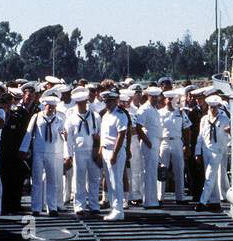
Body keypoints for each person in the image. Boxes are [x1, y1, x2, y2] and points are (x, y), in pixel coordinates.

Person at [20, 95, 65, 215]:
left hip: (52, 152)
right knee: (36, 180)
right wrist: (23, 148)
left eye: (53, 107)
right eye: (49, 107)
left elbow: (62, 136)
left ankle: (52, 207)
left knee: (52, 181)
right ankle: (36, 208)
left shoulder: (59, 120)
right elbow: (29, 133)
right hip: (38, 152)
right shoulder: (36, 117)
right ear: (44, 106)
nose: (51, 109)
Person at [0, 84, 35, 214]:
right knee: (4, 180)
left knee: (16, 180)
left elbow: (23, 136)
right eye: (5, 103)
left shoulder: (17, 117)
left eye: (9, 103)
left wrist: (24, 150)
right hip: (2, 154)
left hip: (15, 154)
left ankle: (15, 204)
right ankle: (4, 205)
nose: (7, 106)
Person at [64, 87, 101, 213]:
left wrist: (99, 151)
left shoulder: (95, 116)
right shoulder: (71, 118)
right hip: (79, 152)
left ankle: (94, 204)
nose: (81, 105)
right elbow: (68, 139)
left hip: (93, 151)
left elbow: (100, 133)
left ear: (87, 101)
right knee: (79, 179)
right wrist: (68, 155)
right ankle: (79, 205)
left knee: (94, 179)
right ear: (76, 103)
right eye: (79, 103)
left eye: (83, 102)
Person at [98, 90, 130, 221]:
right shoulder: (106, 115)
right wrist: (101, 150)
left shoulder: (120, 115)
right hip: (106, 150)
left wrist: (114, 154)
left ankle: (118, 210)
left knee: (116, 181)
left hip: (114, 151)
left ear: (116, 100)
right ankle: (113, 207)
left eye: (110, 101)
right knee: (110, 181)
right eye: (105, 101)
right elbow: (103, 135)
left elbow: (121, 135)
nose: (107, 103)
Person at [195, 95, 230, 212]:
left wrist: (228, 132)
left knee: (210, 175)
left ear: (218, 107)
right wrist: (197, 152)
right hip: (206, 150)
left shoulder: (224, 120)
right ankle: (214, 201)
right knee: (210, 176)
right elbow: (200, 137)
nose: (212, 109)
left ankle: (202, 201)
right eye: (210, 107)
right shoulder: (204, 119)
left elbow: (230, 134)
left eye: (214, 107)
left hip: (217, 150)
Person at [157, 88, 191, 202]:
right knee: (162, 170)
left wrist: (186, 145)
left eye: (171, 98)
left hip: (177, 142)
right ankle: (160, 197)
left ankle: (180, 197)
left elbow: (187, 129)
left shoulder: (180, 112)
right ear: (164, 99)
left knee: (179, 169)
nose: (169, 100)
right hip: (164, 142)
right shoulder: (159, 113)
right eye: (167, 98)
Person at [136, 86, 163, 208]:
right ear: (149, 97)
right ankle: (149, 200)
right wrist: (148, 142)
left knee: (152, 172)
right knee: (148, 172)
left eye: (157, 96)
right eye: (155, 97)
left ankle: (152, 199)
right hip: (149, 142)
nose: (157, 99)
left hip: (155, 142)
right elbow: (138, 127)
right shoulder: (144, 109)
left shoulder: (153, 109)